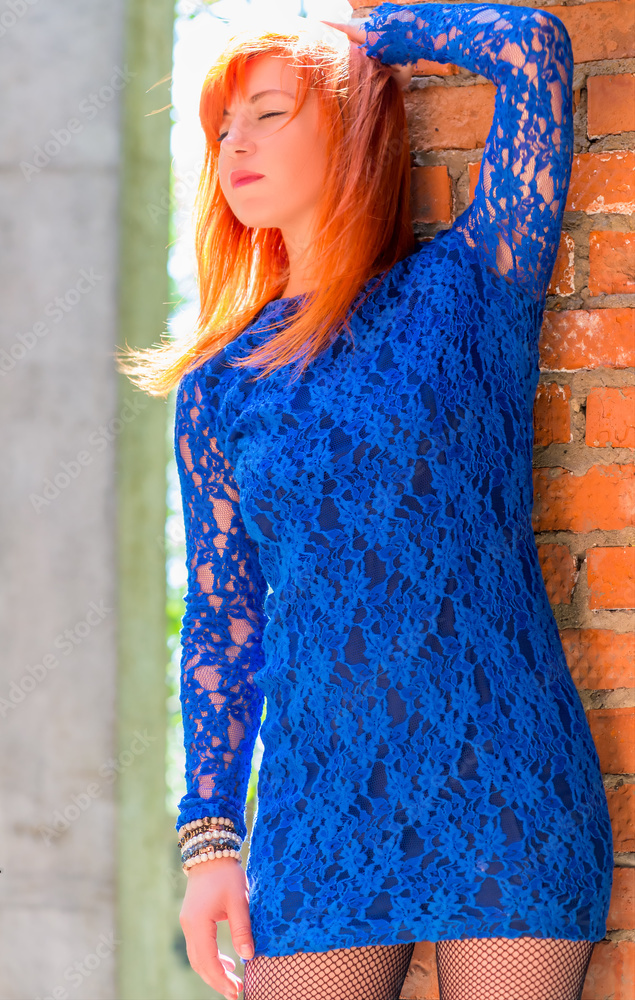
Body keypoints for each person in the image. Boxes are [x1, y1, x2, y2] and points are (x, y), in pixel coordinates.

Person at [118, 4, 614, 999]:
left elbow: (531, 49)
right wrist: (209, 843)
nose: (235, 143)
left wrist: (361, 38)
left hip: (503, 781)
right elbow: (223, 620)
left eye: (269, 112)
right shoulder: (220, 387)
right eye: (222, 127)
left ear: (346, 126)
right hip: (319, 809)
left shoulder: (468, 289)